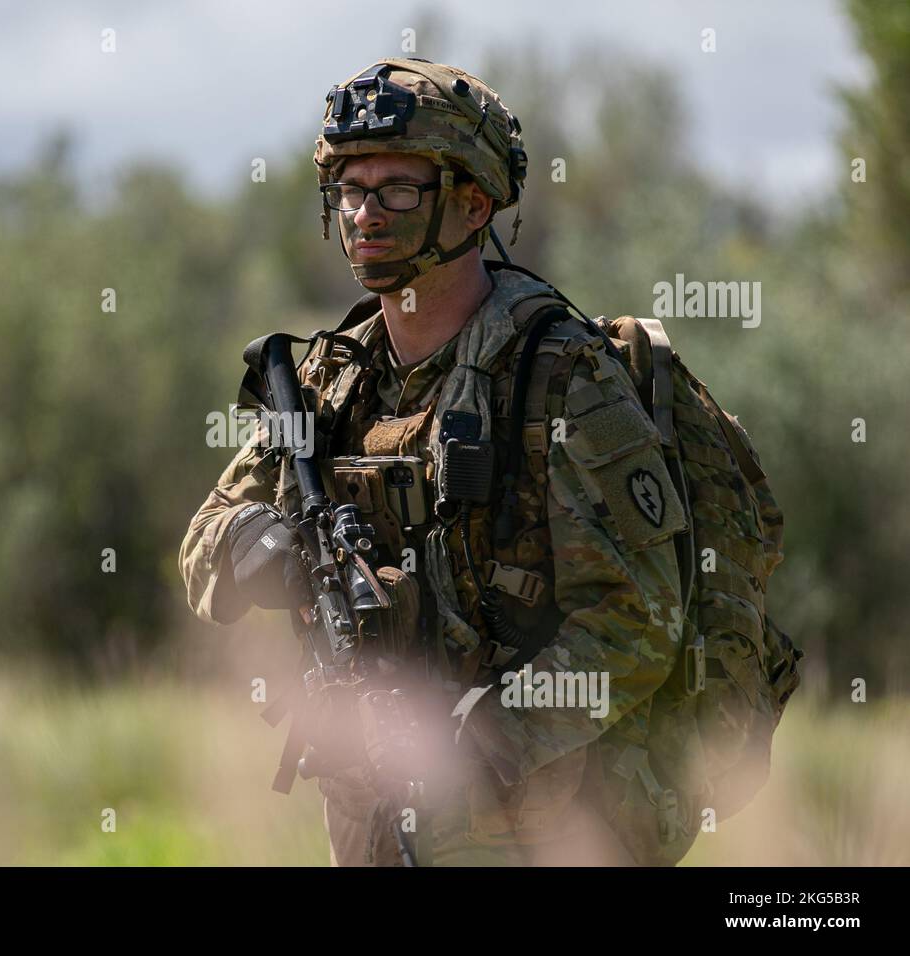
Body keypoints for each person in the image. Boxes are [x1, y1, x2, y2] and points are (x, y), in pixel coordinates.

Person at [179, 58, 689, 866]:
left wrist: (487, 738)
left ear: (473, 203)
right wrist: (248, 546)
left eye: (398, 190)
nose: (366, 215)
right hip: (368, 809)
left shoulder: (556, 377)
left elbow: (640, 620)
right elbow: (203, 540)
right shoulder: (327, 379)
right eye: (349, 190)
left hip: (532, 820)